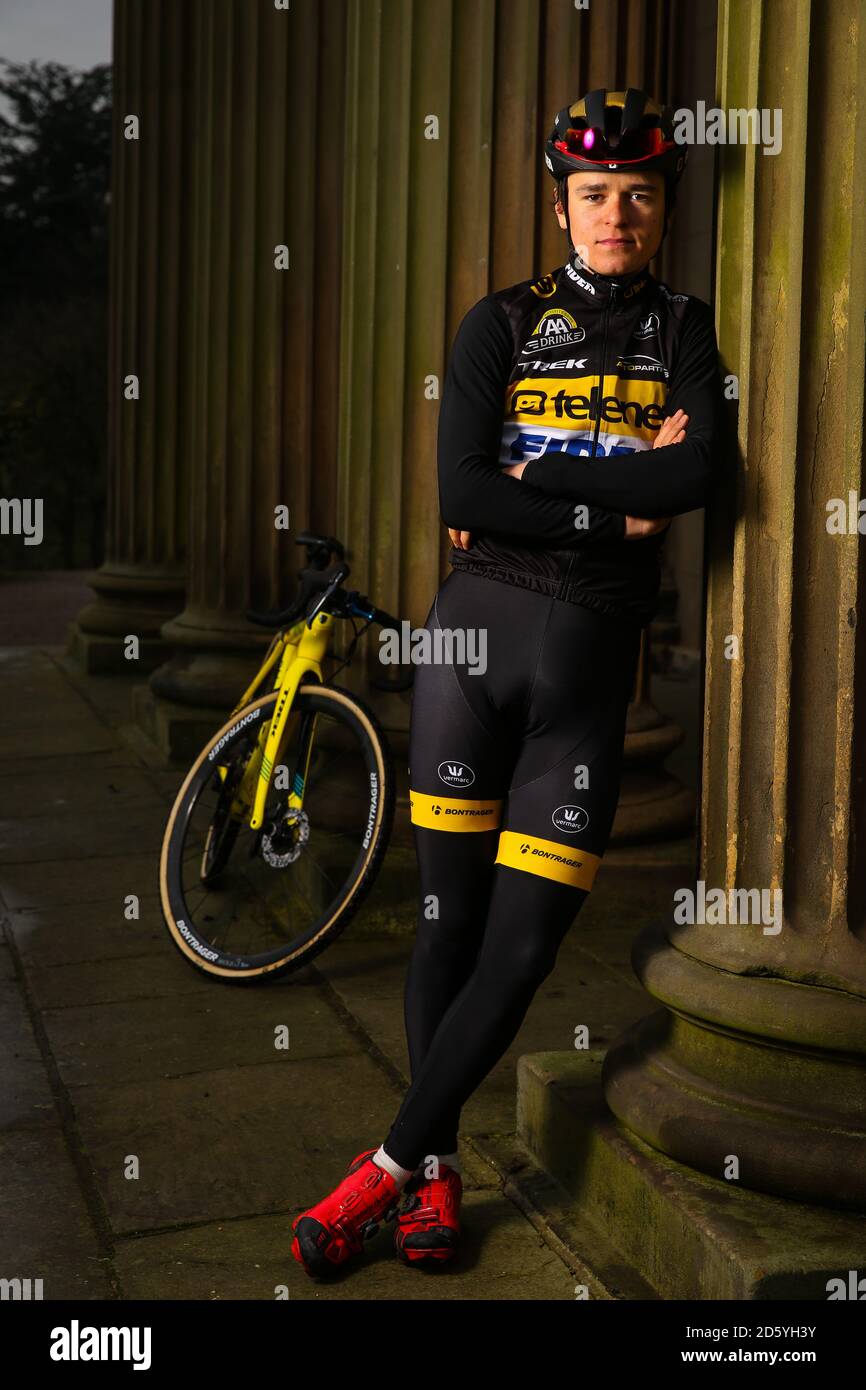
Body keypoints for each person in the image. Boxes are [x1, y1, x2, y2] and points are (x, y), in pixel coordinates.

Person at [291, 87, 726, 1278]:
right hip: (465, 657)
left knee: (523, 951)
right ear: (560, 205)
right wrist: (613, 484)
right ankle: (432, 1181)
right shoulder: (498, 324)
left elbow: (702, 471)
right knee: (445, 925)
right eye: (593, 195)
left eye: (637, 194)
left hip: (578, 680)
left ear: (663, 206)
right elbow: (465, 497)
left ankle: (379, 1167)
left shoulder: (686, 332)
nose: (614, 215)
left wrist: (553, 479)